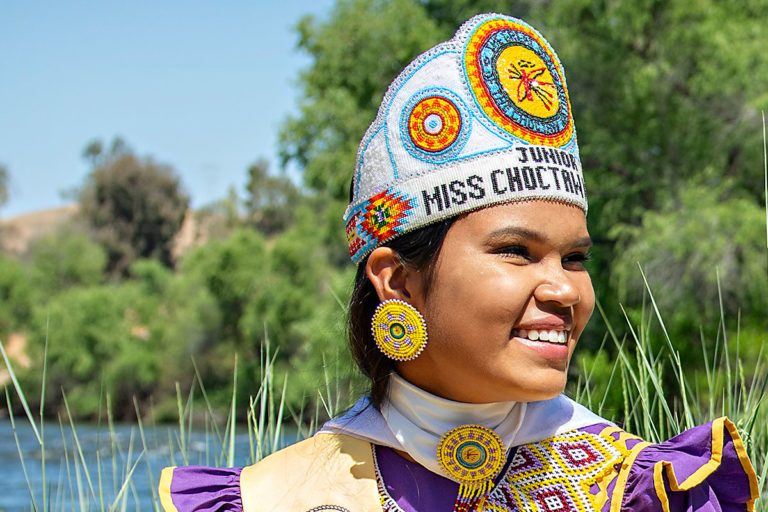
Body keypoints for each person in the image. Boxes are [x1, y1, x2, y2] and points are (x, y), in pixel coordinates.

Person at [158, 13, 759, 512]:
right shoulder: (279, 496)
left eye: (574, 258)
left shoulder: (639, 490)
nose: (563, 290)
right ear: (398, 281)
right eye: (516, 252)